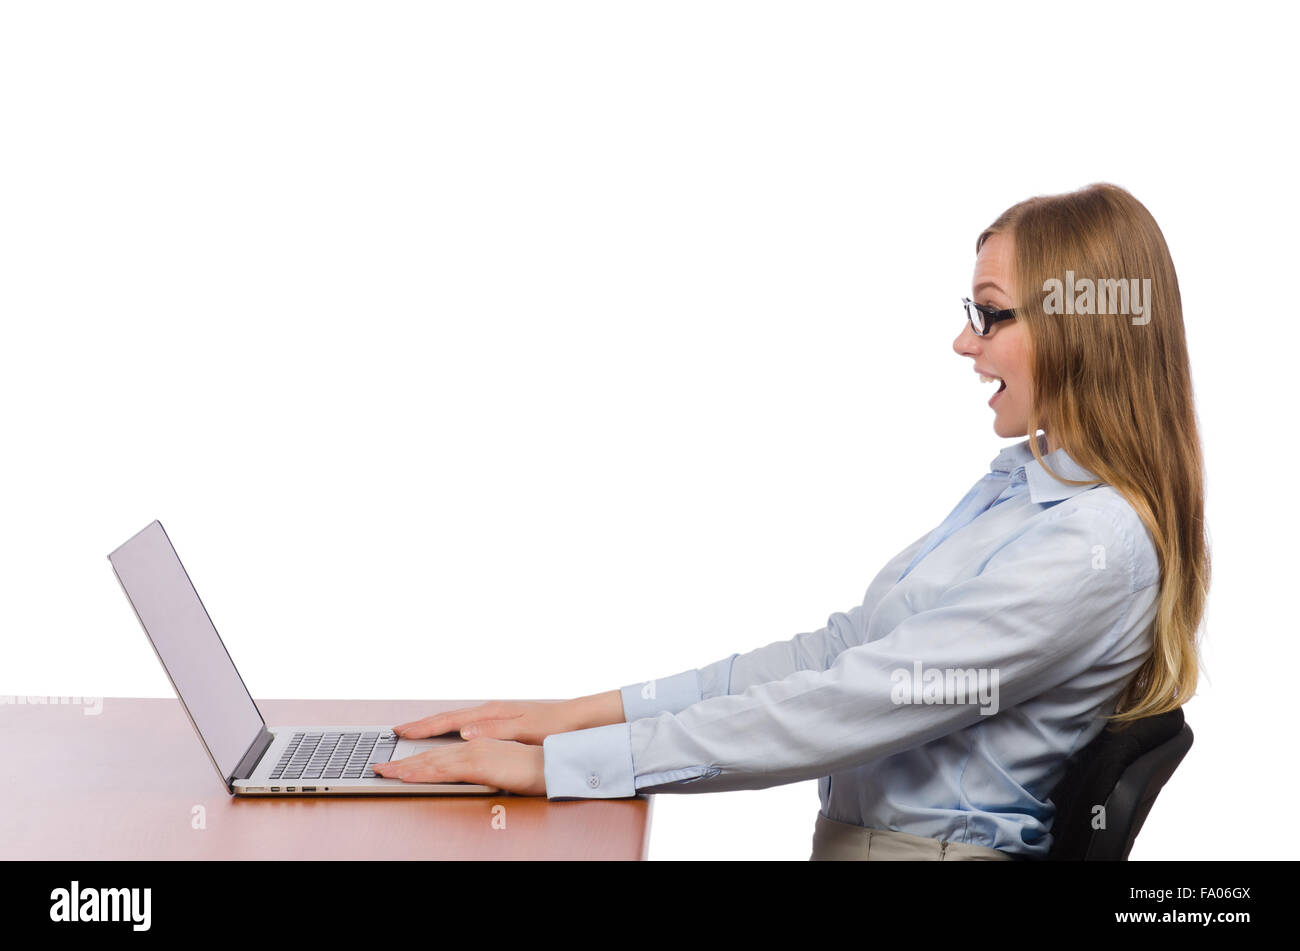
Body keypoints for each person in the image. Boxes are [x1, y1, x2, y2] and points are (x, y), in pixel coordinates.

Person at [372, 183, 1209, 860]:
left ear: (1080, 329)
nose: (963, 340)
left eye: (990, 313)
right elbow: (838, 652)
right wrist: (576, 716)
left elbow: (847, 704)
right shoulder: (1022, 487)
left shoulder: (1090, 545)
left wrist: (563, 768)